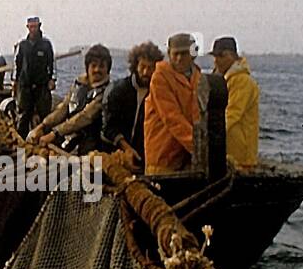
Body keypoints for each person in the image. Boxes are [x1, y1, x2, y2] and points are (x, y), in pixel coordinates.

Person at [27, 43, 113, 153]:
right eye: (94, 65)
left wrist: (55, 133)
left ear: (108, 69)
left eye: (101, 66)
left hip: (92, 140)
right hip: (69, 133)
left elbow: (85, 117)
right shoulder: (78, 84)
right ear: (87, 67)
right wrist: (43, 125)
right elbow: (64, 107)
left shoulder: (107, 92)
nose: (97, 70)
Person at [143, 33, 202, 174]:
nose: (179, 58)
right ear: (169, 54)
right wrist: (199, 147)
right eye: (175, 54)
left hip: (186, 157)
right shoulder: (160, 77)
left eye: (184, 53)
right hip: (163, 155)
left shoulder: (198, 78)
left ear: (193, 53)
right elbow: (171, 117)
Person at [101, 41, 159, 168]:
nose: (145, 72)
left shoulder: (158, 94)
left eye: (150, 68)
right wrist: (126, 148)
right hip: (114, 152)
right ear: (135, 66)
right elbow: (108, 127)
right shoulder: (118, 90)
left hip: (143, 157)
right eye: (142, 66)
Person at [209, 36, 259, 167]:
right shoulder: (222, 78)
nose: (216, 61)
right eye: (214, 57)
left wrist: (210, 137)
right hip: (226, 153)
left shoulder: (242, 81)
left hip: (240, 157)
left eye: (220, 56)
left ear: (232, 56)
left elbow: (232, 114)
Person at [13, 16, 54, 138]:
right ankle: (21, 144)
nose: (33, 29)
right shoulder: (22, 45)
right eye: (31, 27)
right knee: (23, 115)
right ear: (27, 27)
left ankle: (45, 142)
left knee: (45, 116)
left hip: (41, 85)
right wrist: (14, 81)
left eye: (35, 26)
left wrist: (52, 79)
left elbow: (52, 63)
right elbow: (17, 64)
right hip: (25, 85)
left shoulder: (46, 44)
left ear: (39, 26)